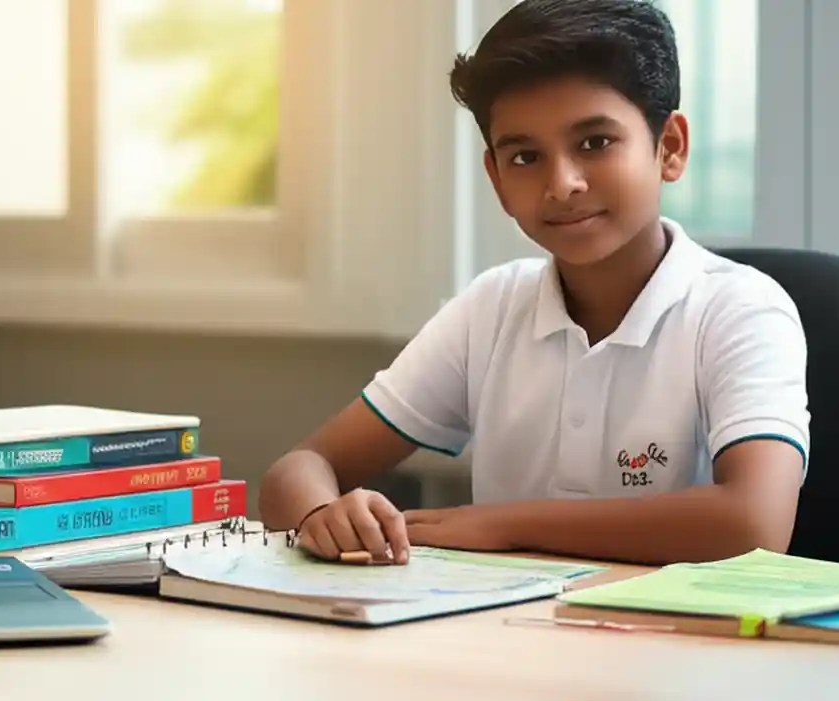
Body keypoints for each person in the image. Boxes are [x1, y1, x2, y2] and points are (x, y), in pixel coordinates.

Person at [257, 0, 810, 567]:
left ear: (669, 148)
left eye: (594, 143)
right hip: (510, 641)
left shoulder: (740, 309)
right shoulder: (492, 309)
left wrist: (503, 524)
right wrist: (320, 516)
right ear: (496, 179)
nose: (562, 183)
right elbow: (296, 470)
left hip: (678, 646)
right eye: (525, 156)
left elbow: (753, 523)